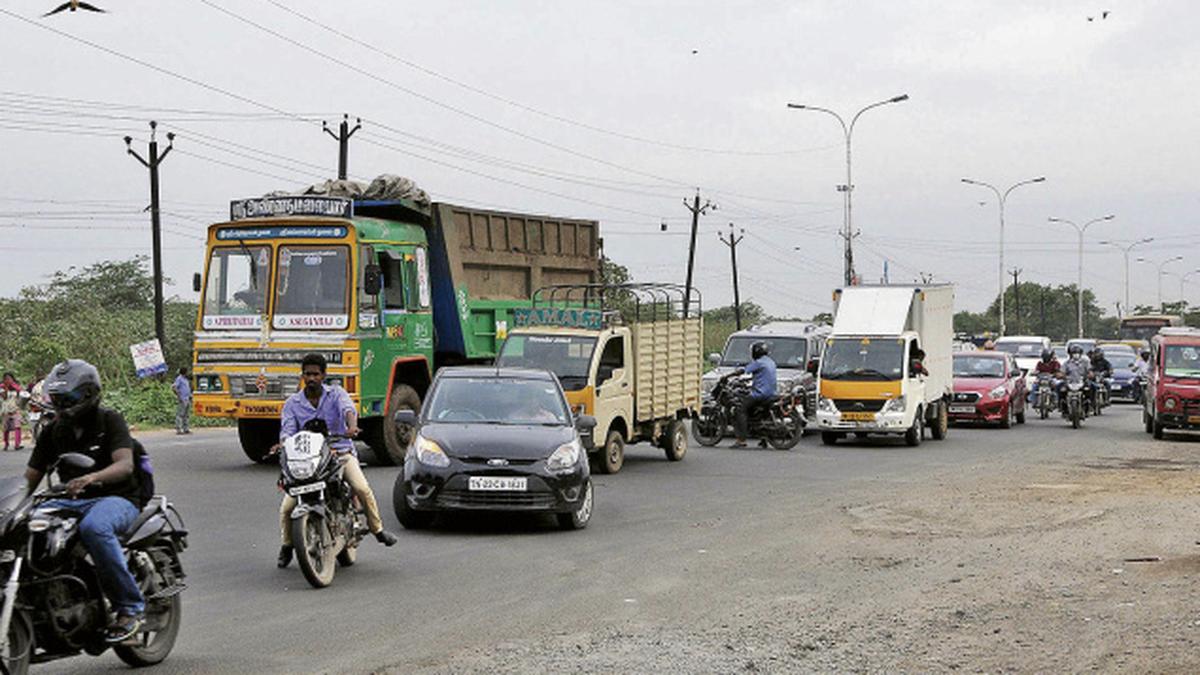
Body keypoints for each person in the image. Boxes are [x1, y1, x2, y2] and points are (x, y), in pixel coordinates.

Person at [24, 359, 147, 642]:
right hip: (68, 501)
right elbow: (29, 479)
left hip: (116, 497)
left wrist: (93, 478)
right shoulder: (52, 431)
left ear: (89, 394)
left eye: (68, 398)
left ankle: (130, 608)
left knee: (95, 528)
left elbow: (125, 465)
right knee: (26, 529)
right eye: (57, 399)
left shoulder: (110, 421)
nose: (62, 405)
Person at [276, 353, 396, 568]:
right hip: (309, 460)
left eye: (315, 374)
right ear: (302, 376)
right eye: (307, 374)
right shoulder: (292, 404)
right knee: (286, 507)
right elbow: (287, 431)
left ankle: (377, 530)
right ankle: (287, 545)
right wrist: (283, 443)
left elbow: (348, 410)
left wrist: (352, 426)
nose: (311, 378)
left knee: (362, 488)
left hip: (340, 453)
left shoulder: (336, 394)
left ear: (324, 375)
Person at [733, 341, 777, 448]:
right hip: (771, 393)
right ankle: (763, 438)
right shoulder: (771, 362)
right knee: (759, 413)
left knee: (740, 408)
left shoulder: (759, 362)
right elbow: (762, 376)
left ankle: (741, 440)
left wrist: (729, 375)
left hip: (760, 394)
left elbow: (744, 370)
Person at [1058, 344, 1092, 412]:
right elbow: (1062, 372)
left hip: (1082, 381)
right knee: (1060, 389)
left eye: (1077, 353)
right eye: (1074, 353)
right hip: (1070, 382)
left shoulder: (1085, 362)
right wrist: (1061, 375)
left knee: (1091, 388)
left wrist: (1090, 375)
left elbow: (1089, 371)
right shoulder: (1067, 363)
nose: (1076, 355)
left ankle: (1089, 405)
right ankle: (1062, 407)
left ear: (1080, 354)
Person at [171, 367, 192, 435]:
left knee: (186, 415)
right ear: (185, 372)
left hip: (187, 398)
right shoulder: (179, 379)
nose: (188, 373)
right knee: (180, 414)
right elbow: (174, 387)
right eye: (187, 371)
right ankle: (179, 429)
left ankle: (186, 429)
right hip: (182, 399)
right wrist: (179, 396)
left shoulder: (185, 379)